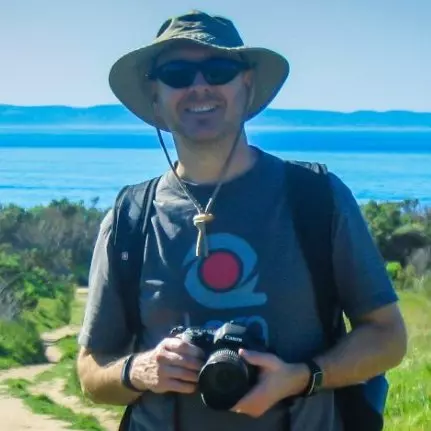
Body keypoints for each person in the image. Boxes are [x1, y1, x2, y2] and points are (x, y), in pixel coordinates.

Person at [76, 9, 407, 431]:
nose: (199, 86)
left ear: (246, 85)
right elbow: (91, 371)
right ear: (154, 94)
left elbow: (387, 336)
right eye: (177, 73)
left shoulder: (316, 198)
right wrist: (140, 371)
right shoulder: (130, 219)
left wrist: (304, 377)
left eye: (219, 69)